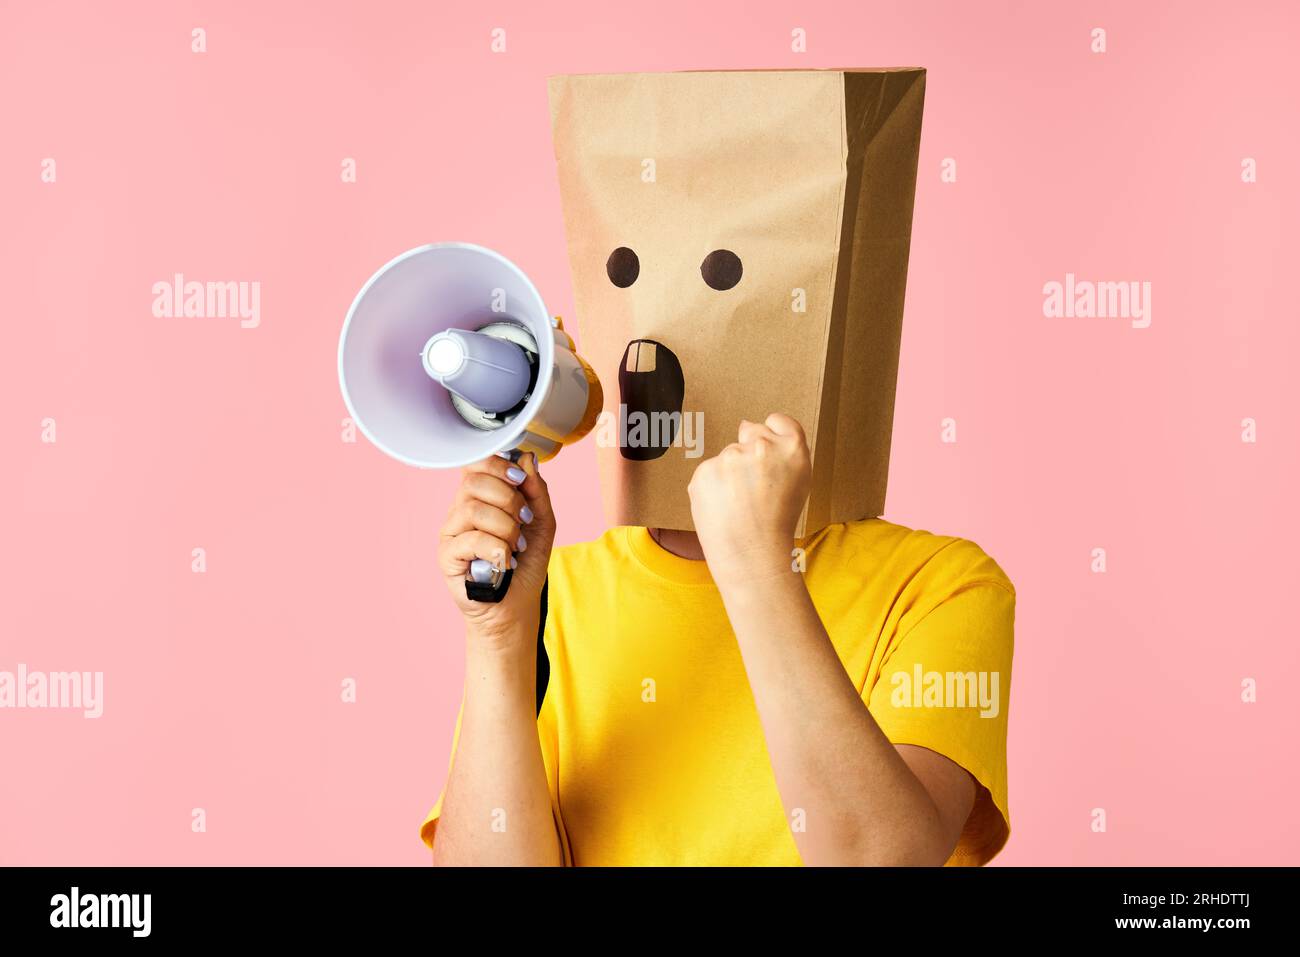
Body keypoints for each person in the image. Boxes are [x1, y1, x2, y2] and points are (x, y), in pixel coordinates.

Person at [421, 412, 1015, 866]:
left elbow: (879, 858)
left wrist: (756, 559)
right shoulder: (555, 589)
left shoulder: (942, 583)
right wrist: (498, 640)